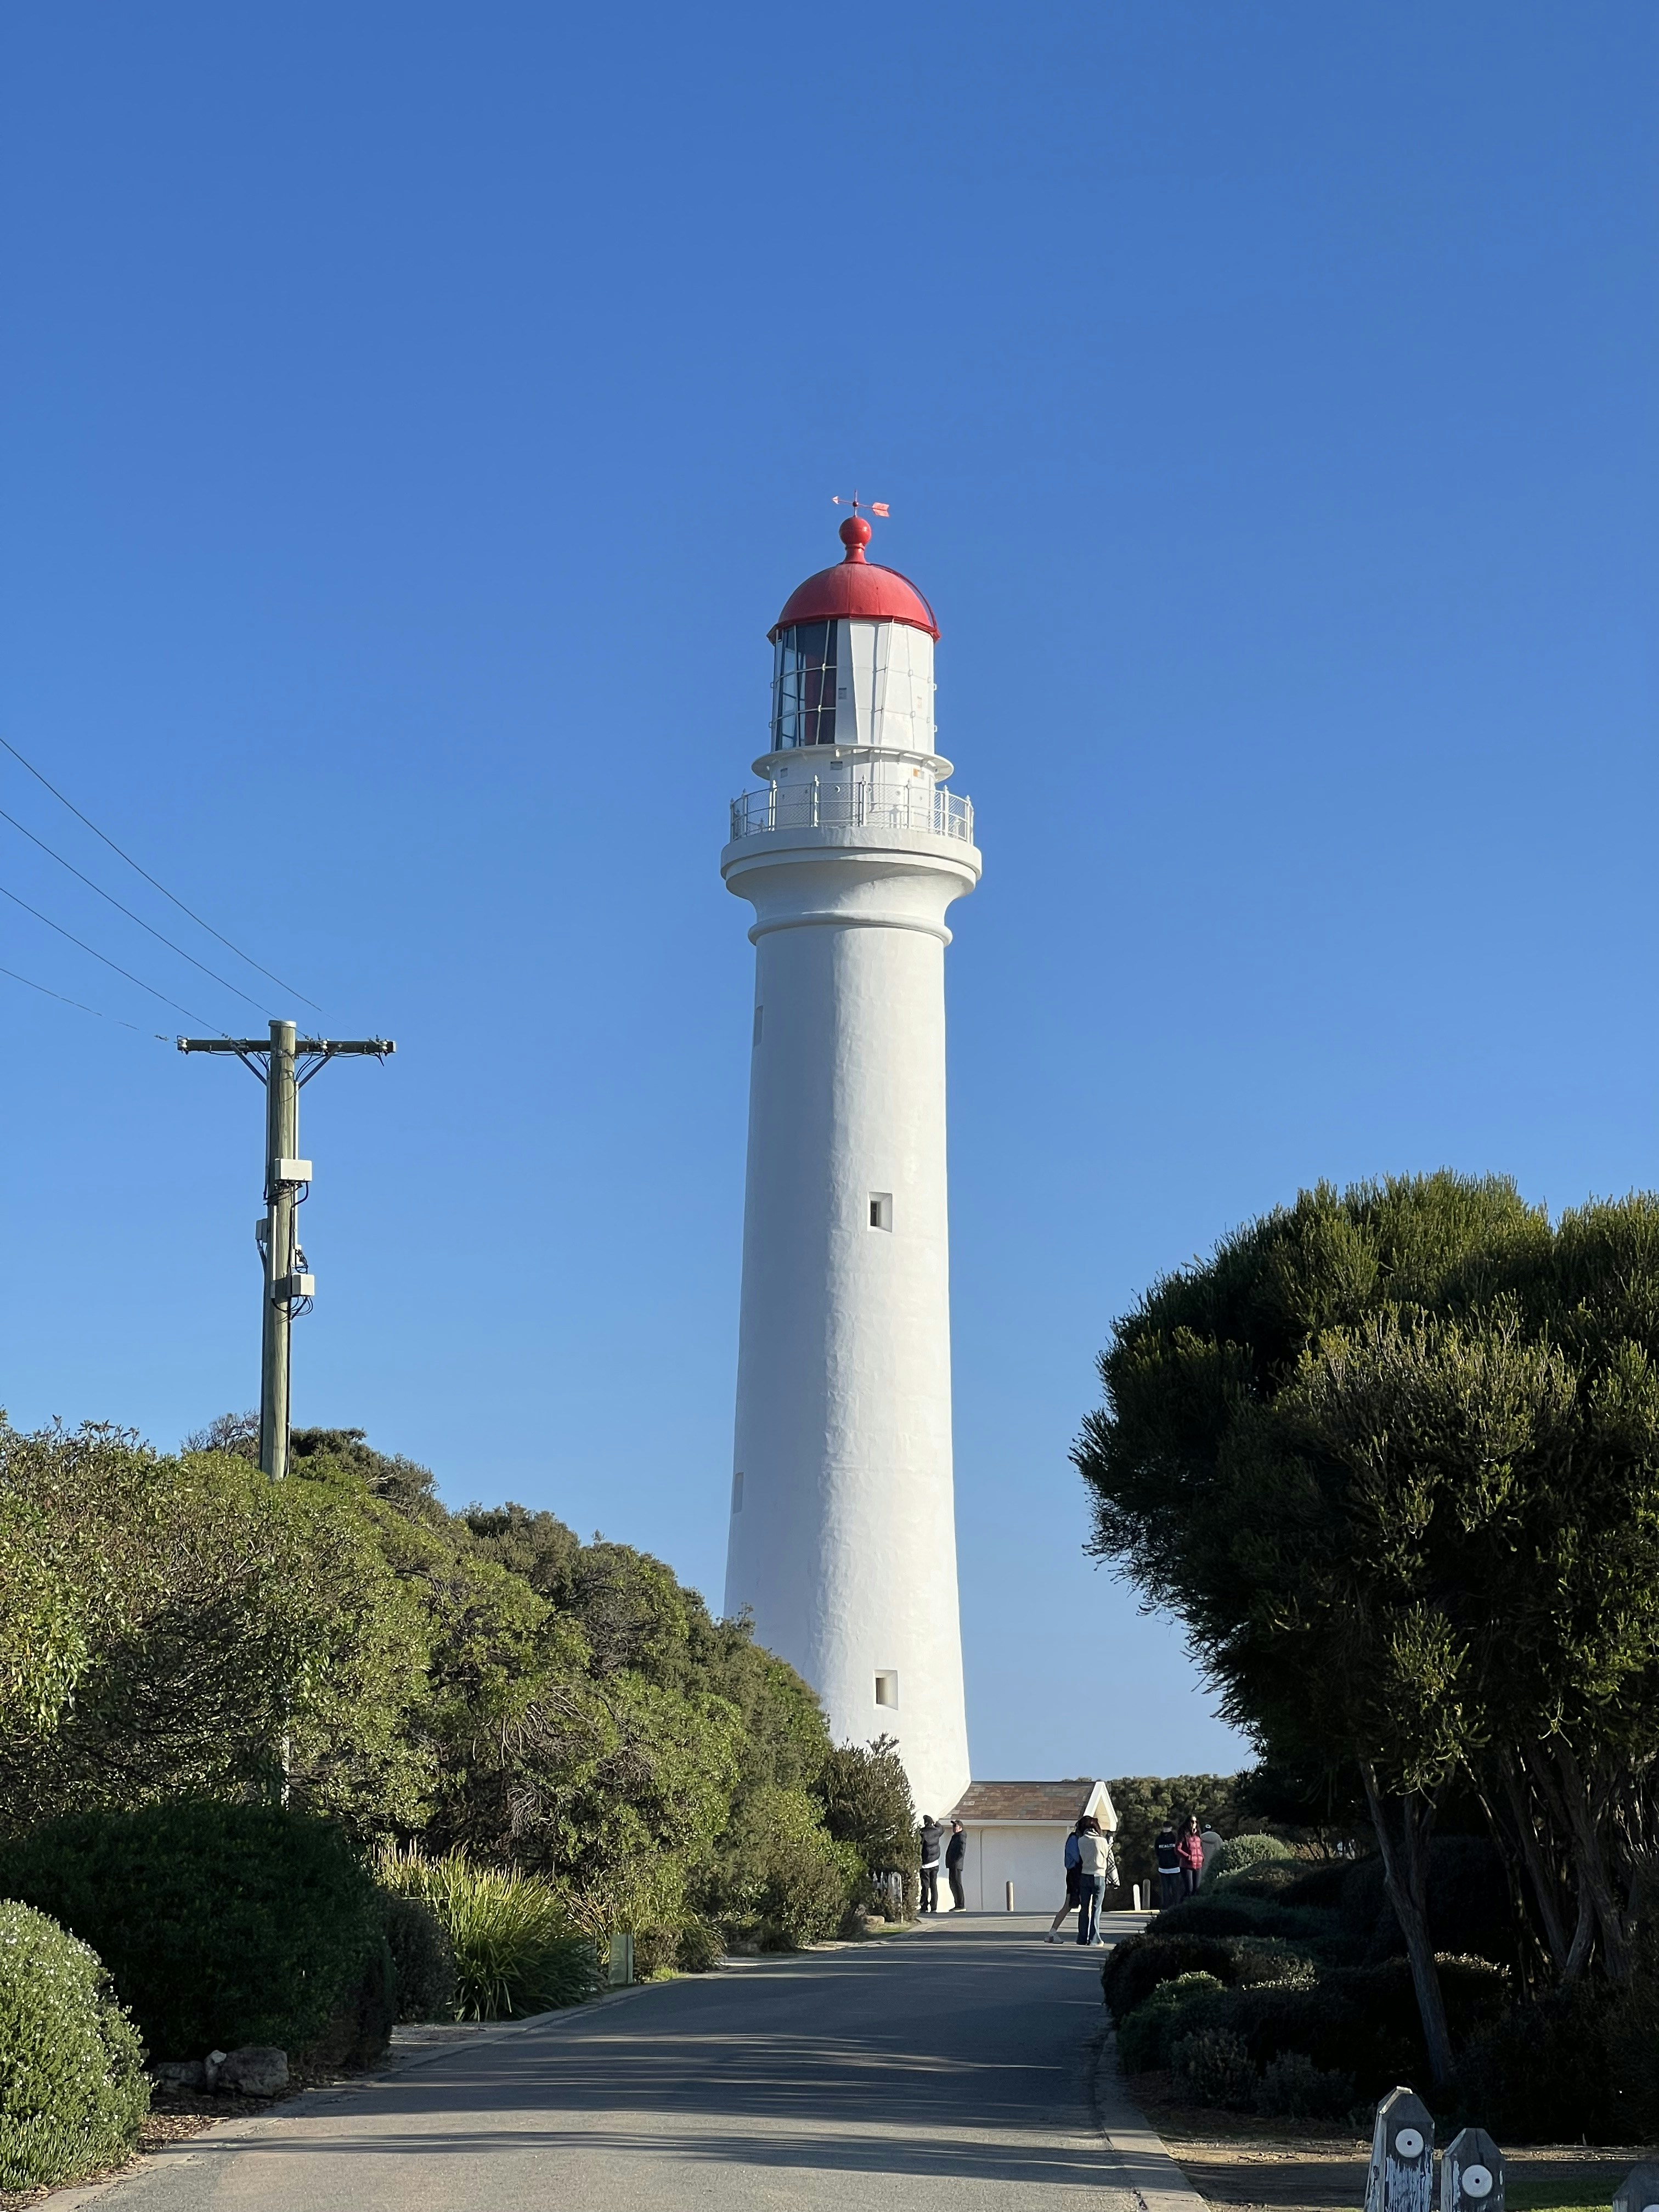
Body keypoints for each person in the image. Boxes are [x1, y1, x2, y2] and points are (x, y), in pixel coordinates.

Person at [1075, 1815, 1115, 1945]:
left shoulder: (1081, 1841)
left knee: (1084, 1908)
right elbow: (1106, 1856)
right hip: (1099, 1876)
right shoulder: (1102, 1841)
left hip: (1085, 1874)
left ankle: (1082, 1938)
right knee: (1097, 1908)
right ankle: (1094, 1939)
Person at [1046, 1818, 1086, 1942]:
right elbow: (1078, 1857)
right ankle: (1084, 1934)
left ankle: (1053, 1933)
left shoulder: (1076, 1838)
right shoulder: (1074, 1839)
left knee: (1069, 1905)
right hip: (1074, 1875)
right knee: (1073, 1904)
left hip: (1074, 1875)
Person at [919, 1815, 945, 1914]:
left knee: (925, 1886)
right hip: (935, 1863)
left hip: (925, 1864)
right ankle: (934, 1907)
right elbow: (941, 1828)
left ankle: (924, 1906)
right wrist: (936, 1822)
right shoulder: (937, 1831)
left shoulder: (922, 1833)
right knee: (934, 1886)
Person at [1154, 1822, 1182, 1910]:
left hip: (1167, 1867)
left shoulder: (1159, 1839)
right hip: (1172, 1868)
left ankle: (1168, 1907)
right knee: (1173, 1890)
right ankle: (1174, 1907)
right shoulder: (1174, 1838)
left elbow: (1157, 1852)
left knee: (1169, 1890)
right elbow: (1178, 1852)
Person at [1178, 1814, 1204, 1897]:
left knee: (1197, 1890)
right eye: (1192, 1821)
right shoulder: (1184, 1834)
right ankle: (1181, 1907)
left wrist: (1202, 1857)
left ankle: (1194, 1907)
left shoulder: (1198, 1834)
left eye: (1196, 1822)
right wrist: (1188, 1857)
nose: (1194, 1824)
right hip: (1187, 1865)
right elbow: (1178, 1849)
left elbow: (1199, 1847)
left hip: (1198, 1865)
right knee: (1189, 1889)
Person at [945, 1819, 967, 1910]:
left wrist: (956, 1860)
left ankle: (961, 1905)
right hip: (952, 1864)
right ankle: (957, 1904)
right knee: (952, 1884)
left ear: (960, 1827)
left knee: (957, 1884)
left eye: (956, 1826)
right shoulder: (956, 1837)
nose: (954, 1828)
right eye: (953, 1826)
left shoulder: (961, 1837)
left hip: (956, 1864)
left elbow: (961, 1851)